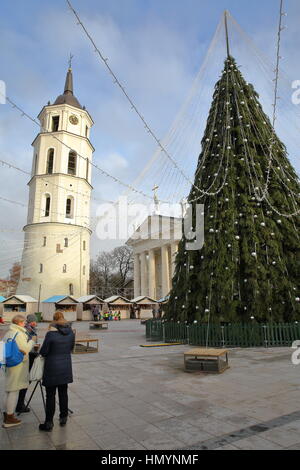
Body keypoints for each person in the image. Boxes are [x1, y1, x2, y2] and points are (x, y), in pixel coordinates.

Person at [38, 311, 75, 431]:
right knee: (63, 393)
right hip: (65, 366)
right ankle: (63, 417)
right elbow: (71, 348)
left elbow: (44, 352)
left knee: (50, 395)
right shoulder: (71, 333)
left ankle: (49, 422)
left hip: (52, 368)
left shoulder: (50, 335)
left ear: (54, 321)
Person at [2, 315, 36, 428]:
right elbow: (25, 349)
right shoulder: (20, 334)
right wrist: (32, 342)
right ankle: (9, 418)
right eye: (24, 321)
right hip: (17, 365)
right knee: (14, 391)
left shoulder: (8, 333)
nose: (25, 323)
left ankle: (6, 413)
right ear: (20, 323)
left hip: (9, 363)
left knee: (8, 389)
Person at [15, 314, 39, 414]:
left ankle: (20, 404)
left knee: (25, 382)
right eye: (34, 321)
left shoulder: (32, 329)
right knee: (25, 382)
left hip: (29, 356)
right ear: (30, 321)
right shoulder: (28, 330)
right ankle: (19, 405)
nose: (36, 322)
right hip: (28, 357)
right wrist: (34, 346)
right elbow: (26, 345)